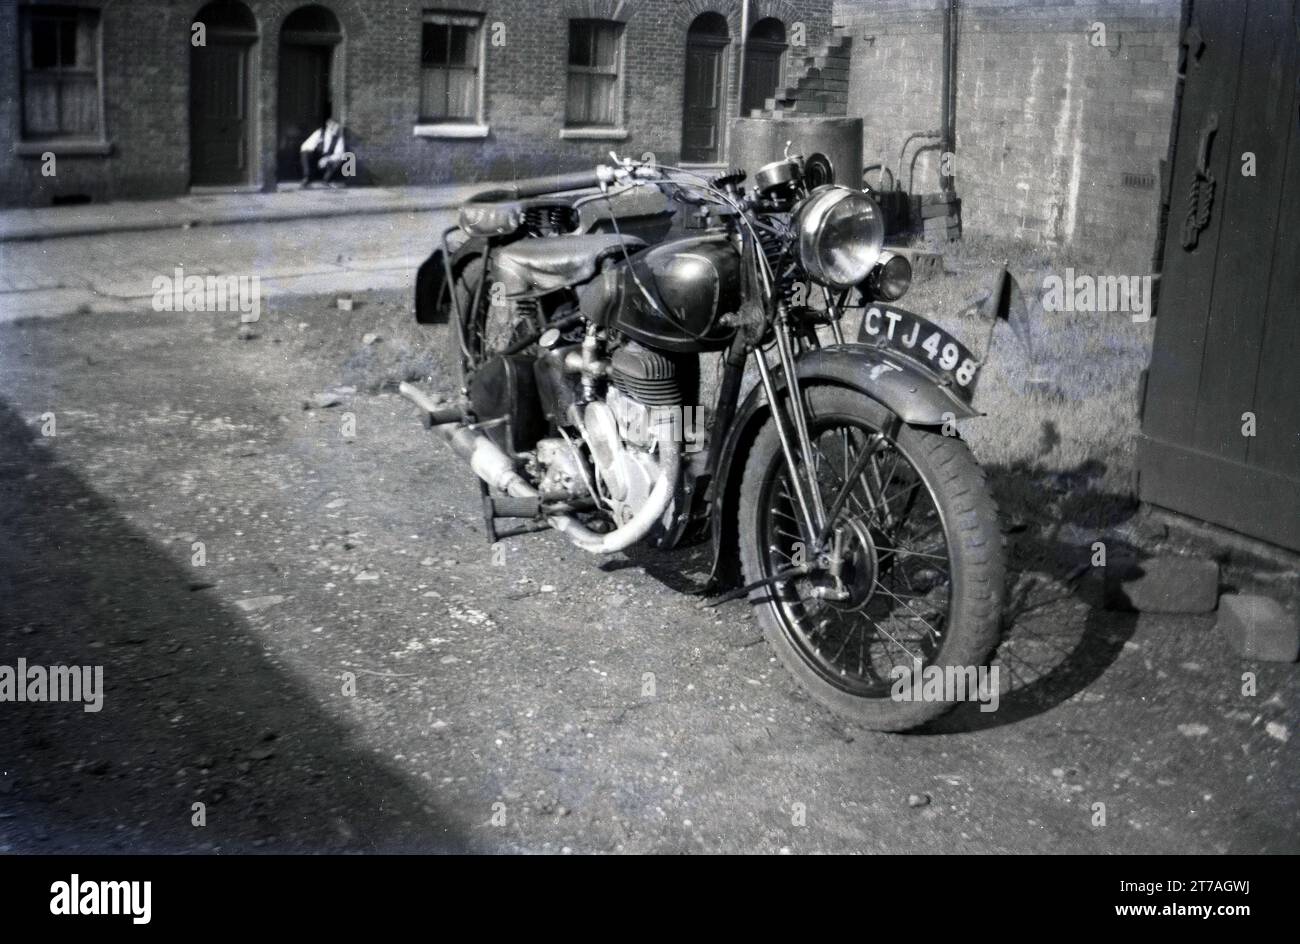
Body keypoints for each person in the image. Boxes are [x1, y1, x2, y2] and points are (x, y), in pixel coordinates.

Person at [299, 118, 347, 188]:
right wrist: (315, 148)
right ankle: (307, 178)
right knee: (305, 152)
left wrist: (327, 159)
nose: (336, 131)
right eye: (333, 128)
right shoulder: (319, 133)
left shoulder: (339, 137)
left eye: (337, 128)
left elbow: (340, 153)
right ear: (328, 126)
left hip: (328, 162)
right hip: (316, 161)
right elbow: (305, 146)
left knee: (340, 158)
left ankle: (326, 180)